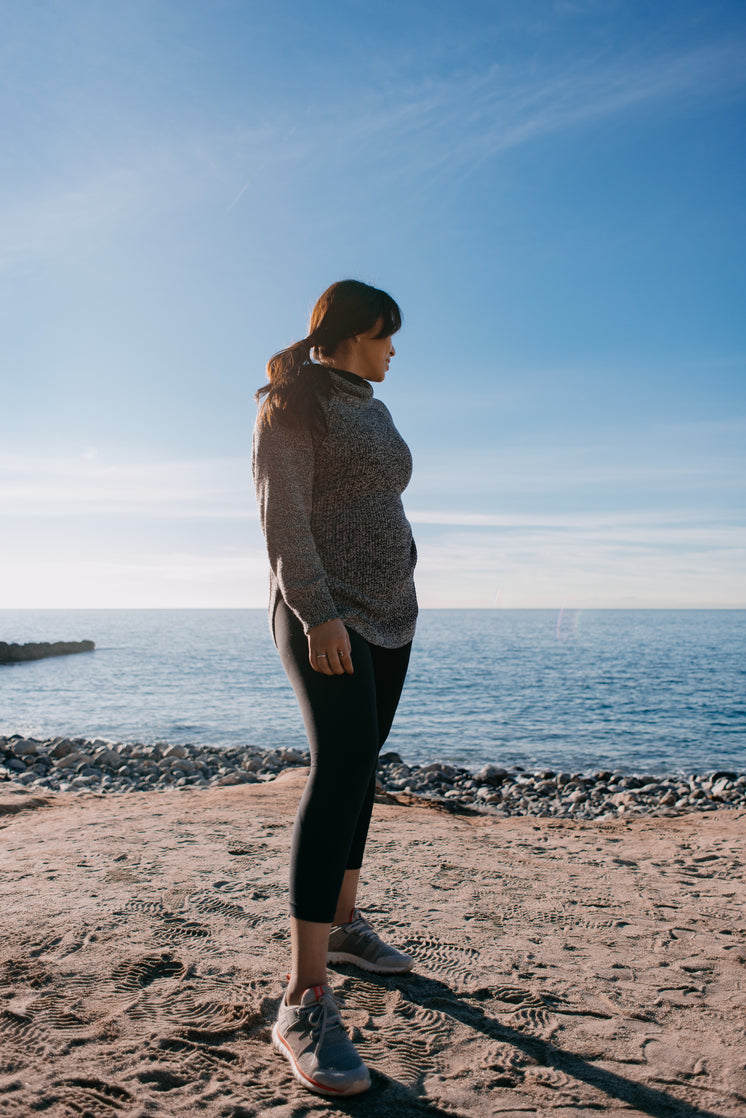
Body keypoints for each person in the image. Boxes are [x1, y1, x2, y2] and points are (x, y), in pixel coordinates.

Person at [252, 279, 418, 1097]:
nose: (395, 350)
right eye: (387, 335)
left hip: (393, 616)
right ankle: (302, 997)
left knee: (364, 768)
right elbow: (284, 518)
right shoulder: (291, 404)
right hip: (324, 615)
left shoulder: (370, 403)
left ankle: (346, 927)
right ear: (356, 333)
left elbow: (379, 499)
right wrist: (317, 613)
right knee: (339, 768)